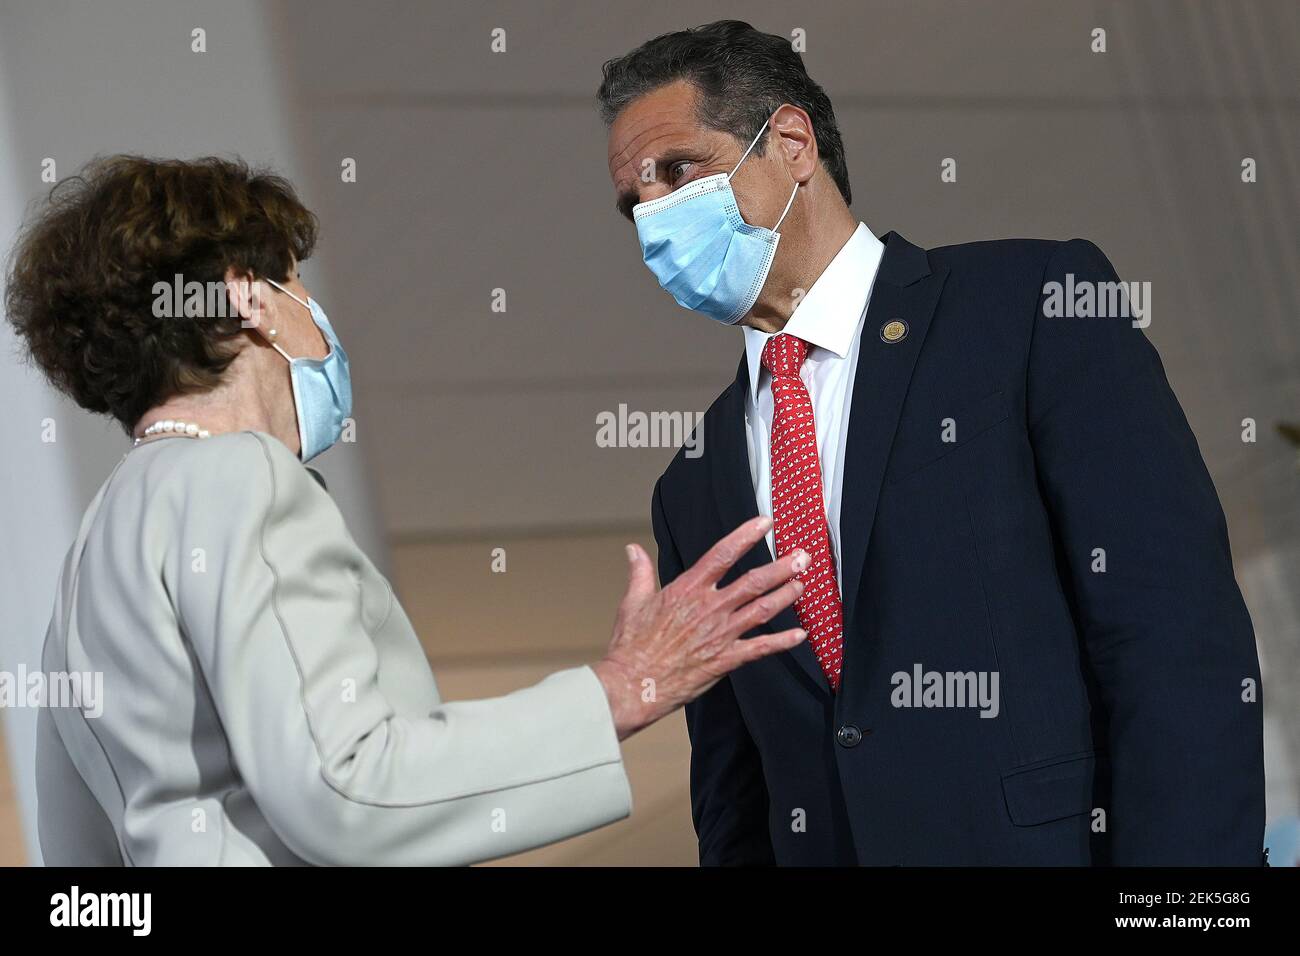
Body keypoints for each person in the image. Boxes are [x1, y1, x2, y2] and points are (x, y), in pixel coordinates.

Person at [6, 155, 810, 866]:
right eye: (295, 282)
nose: (314, 313)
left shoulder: (93, 550)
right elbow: (344, 788)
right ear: (243, 299)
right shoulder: (239, 479)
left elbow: (79, 858)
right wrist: (623, 688)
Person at [598, 20, 1266, 865]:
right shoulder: (693, 484)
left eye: (677, 170)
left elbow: (1173, 637)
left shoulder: (1026, 309)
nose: (652, 216)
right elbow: (737, 791)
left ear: (793, 143)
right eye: (633, 203)